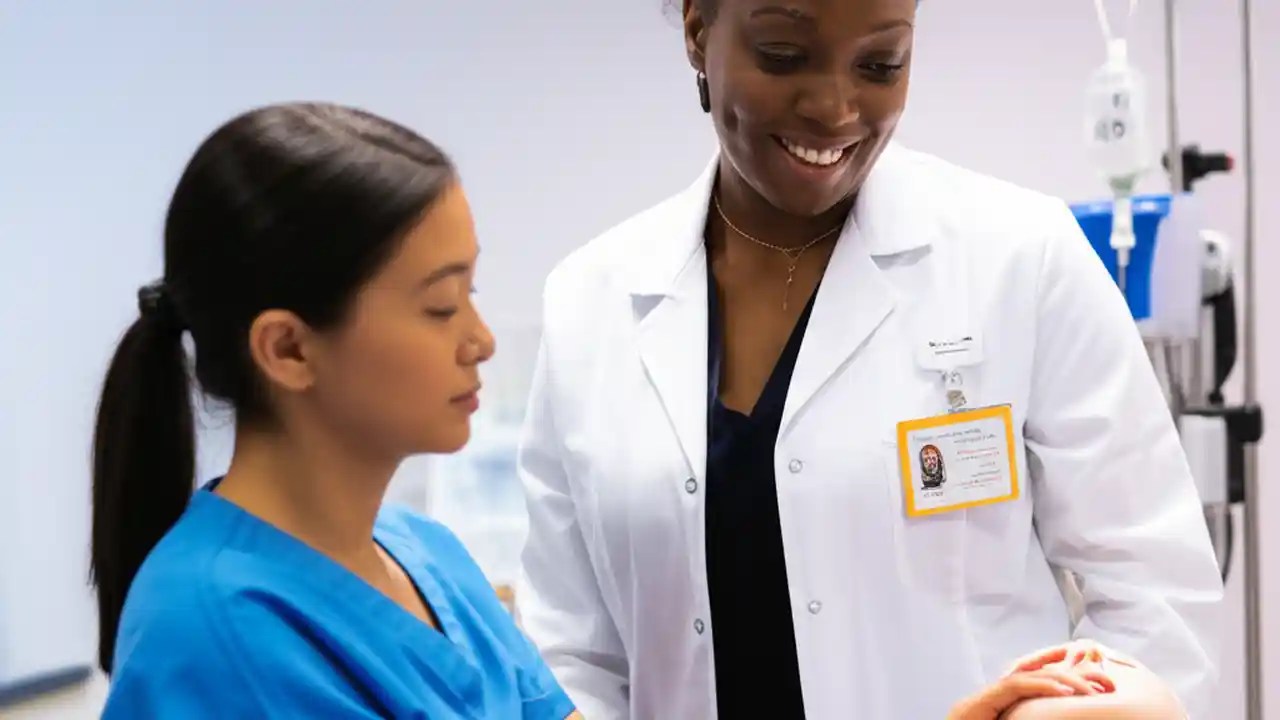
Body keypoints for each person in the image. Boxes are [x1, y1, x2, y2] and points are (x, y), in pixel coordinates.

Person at [514, 0, 1222, 718]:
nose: (834, 107)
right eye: (784, 56)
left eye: (880, 65)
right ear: (699, 31)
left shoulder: (1020, 256)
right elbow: (570, 653)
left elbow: (1153, 594)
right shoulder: (589, 302)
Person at [91, 102, 579, 719]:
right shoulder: (214, 633)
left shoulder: (427, 552)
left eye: (471, 294)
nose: (482, 341)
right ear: (288, 349)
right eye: (441, 305)